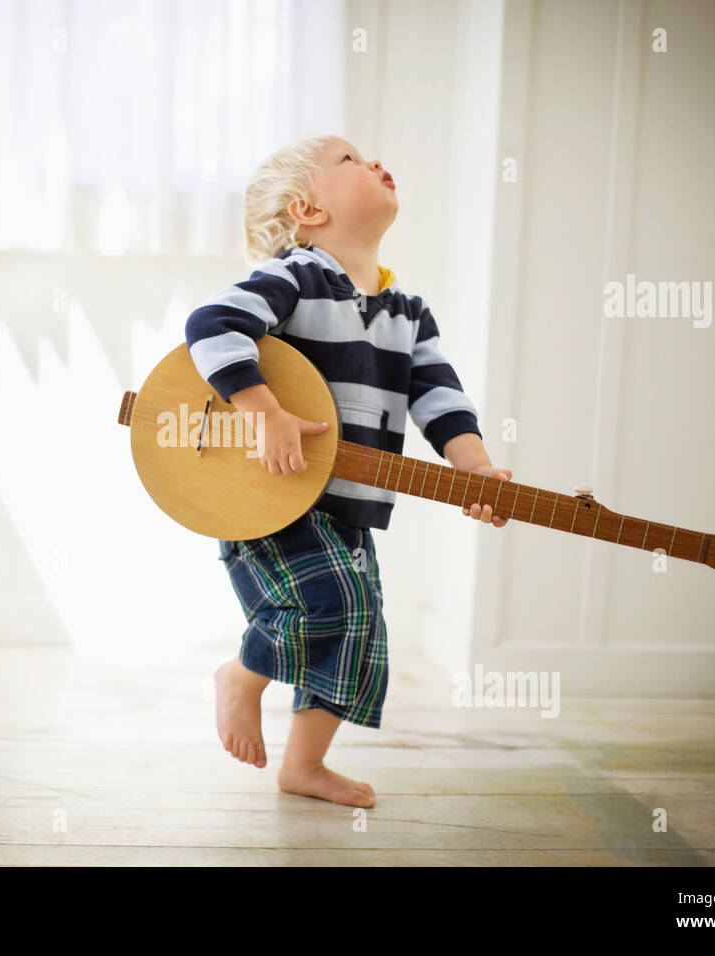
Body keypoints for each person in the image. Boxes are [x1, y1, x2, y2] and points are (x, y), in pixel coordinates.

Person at [184, 134, 512, 808]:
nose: (374, 162)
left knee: (360, 634)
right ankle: (241, 675)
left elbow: (440, 398)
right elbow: (212, 321)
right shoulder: (297, 276)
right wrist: (264, 411)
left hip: (349, 505)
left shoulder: (408, 315)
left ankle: (303, 766)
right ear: (307, 210)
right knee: (336, 606)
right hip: (273, 497)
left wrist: (474, 466)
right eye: (350, 161)